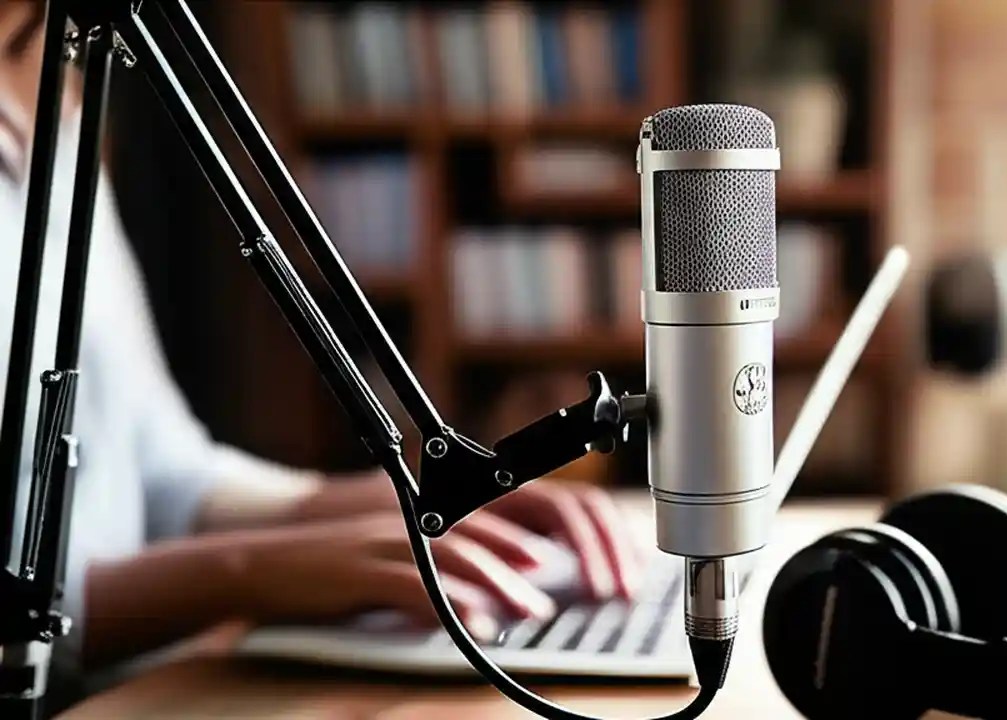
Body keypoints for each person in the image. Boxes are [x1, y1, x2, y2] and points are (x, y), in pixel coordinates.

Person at [0, 2, 638, 703]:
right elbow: (18, 620)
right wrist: (254, 574)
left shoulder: (56, 111)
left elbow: (168, 476)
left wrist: (391, 504)